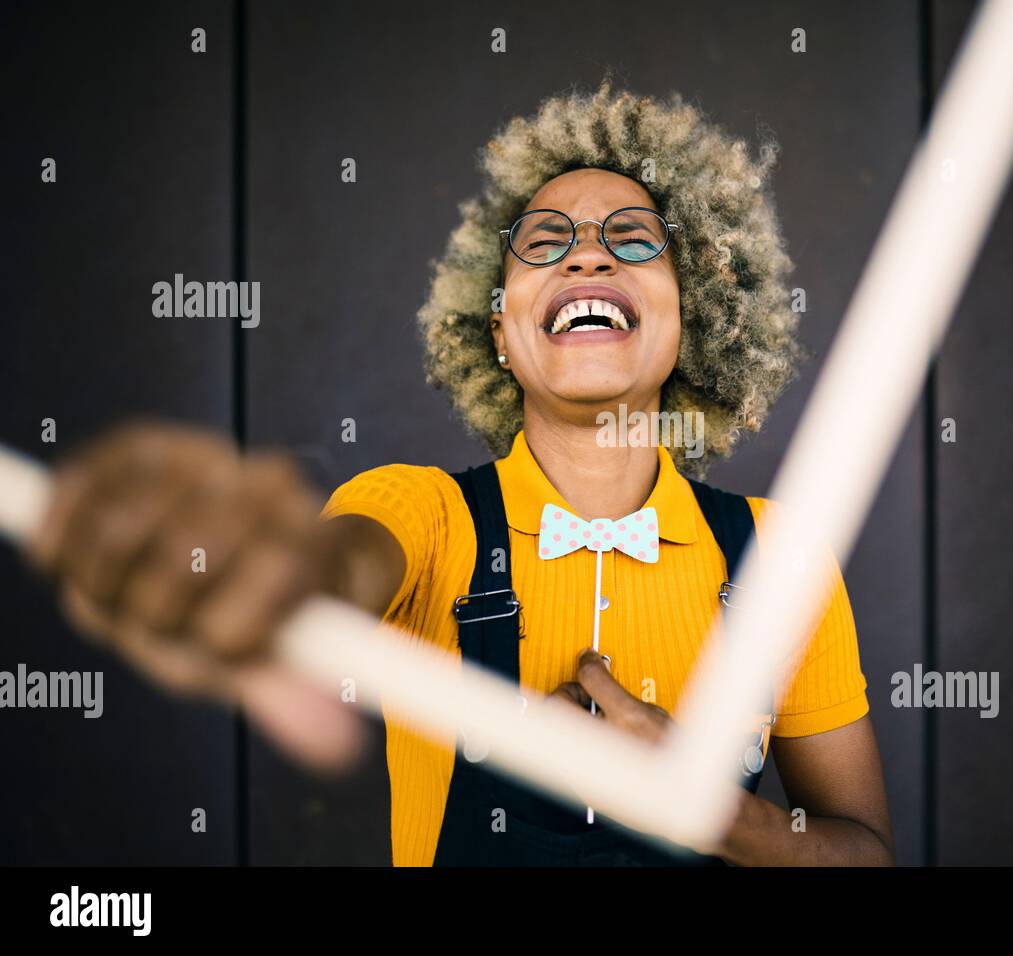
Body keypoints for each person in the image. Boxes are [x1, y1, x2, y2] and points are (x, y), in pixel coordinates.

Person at [26, 82, 894, 866]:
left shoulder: (782, 556)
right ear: (499, 335)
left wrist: (722, 818)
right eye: (545, 241)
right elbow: (326, 567)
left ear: (693, 317)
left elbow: (865, 855)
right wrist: (253, 561)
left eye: (632, 240)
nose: (587, 257)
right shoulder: (423, 513)